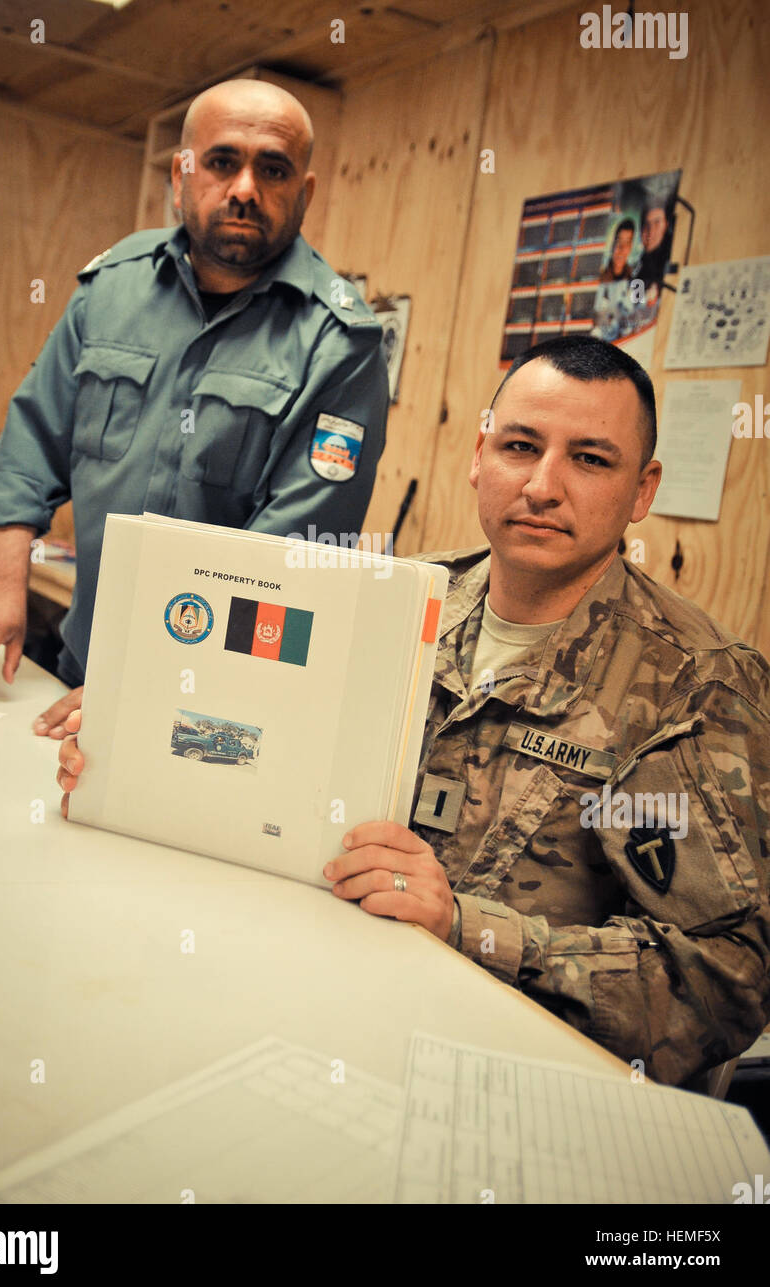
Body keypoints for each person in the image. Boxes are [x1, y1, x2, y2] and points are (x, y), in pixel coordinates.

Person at [55, 335, 770, 1088]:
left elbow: (726, 979)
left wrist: (464, 926)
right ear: (479, 456)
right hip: (318, 1007)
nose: (541, 486)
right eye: (520, 447)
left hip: (509, 1077)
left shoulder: (698, 686)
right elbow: (271, 759)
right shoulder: (389, 600)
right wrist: (143, 741)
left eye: (590, 459)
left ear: (642, 490)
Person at [0, 79, 389, 735]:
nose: (244, 189)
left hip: (217, 696)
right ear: (181, 173)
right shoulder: (111, 289)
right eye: (221, 161)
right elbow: (30, 448)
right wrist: (2, 580)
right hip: (80, 667)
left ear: (306, 190)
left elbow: (284, 558)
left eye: (273, 169)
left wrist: (146, 688)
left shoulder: (340, 341)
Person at [634, 201, 673, 304]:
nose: (650, 231)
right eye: (646, 224)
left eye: (657, 223)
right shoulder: (639, 267)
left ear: (667, 225)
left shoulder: (671, 260)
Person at [598, 218, 634, 282]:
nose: (622, 249)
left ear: (630, 247)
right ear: (612, 245)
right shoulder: (600, 276)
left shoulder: (634, 278)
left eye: (627, 243)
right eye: (619, 242)